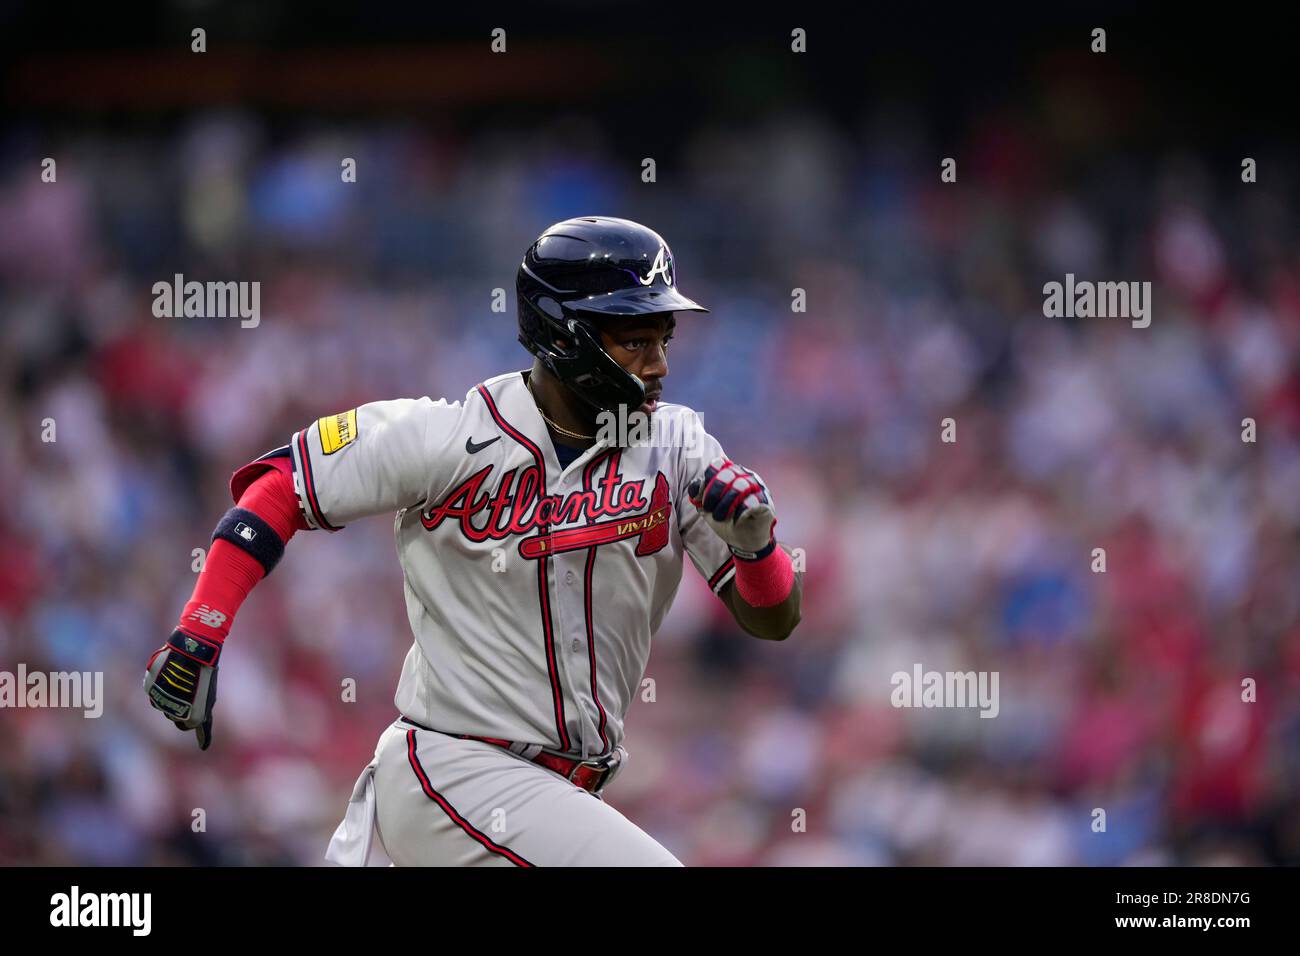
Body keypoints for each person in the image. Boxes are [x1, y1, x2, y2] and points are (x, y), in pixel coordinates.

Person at [144, 216, 803, 866]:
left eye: (664, 337)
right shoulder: (452, 438)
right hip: (455, 772)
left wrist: (755, 546)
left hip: (556, 796)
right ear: (566, 337)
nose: (659, 363)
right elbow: (280, 485)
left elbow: (773, 621)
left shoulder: (679, 447)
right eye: (636, 340)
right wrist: (200, 632)